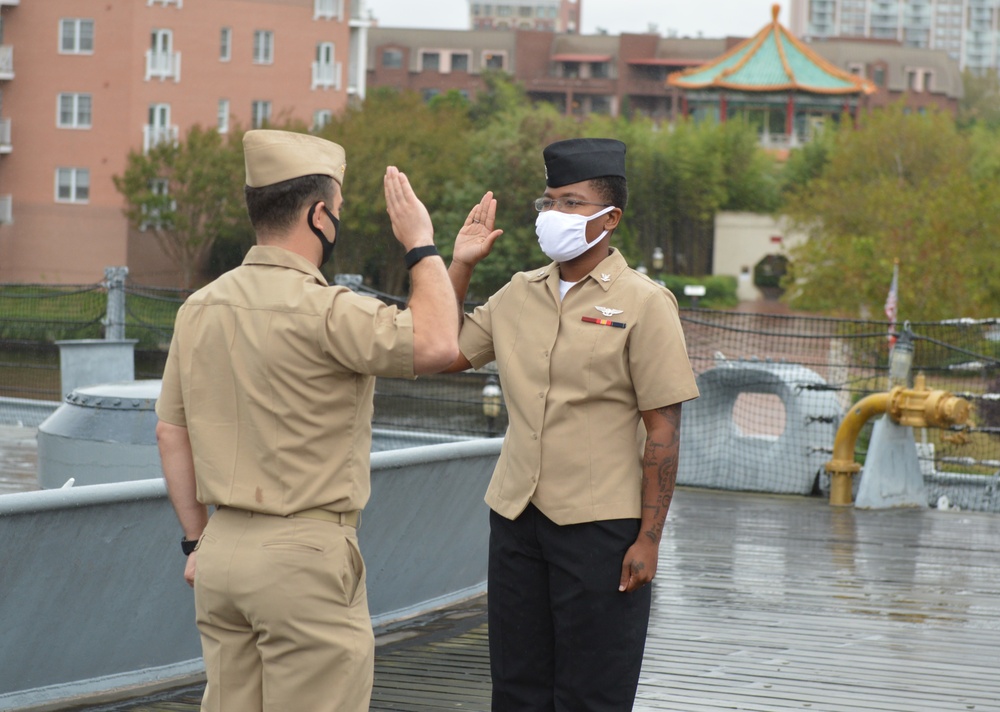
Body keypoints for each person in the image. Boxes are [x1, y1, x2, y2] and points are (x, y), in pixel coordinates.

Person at [155, 129, 459, 712]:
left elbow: (171, 431)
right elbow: (441, 344)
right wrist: (421, 244)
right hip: (302, 558)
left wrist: (196, 540)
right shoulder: (329, 311)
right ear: (320, 216)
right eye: (337, 212)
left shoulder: (200, 307)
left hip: (220, 553)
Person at [446, 137, 700, 711]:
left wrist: (649, 541)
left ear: (610, 218)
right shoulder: (517, 293)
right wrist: (460, 264)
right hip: (517, 520)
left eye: (570, 202)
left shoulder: (644, 303)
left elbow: (663, 430)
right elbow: (443, 349)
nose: (553, 215)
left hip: (601, 529)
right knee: (516, 688)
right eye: (548, 202)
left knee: (593, 694)